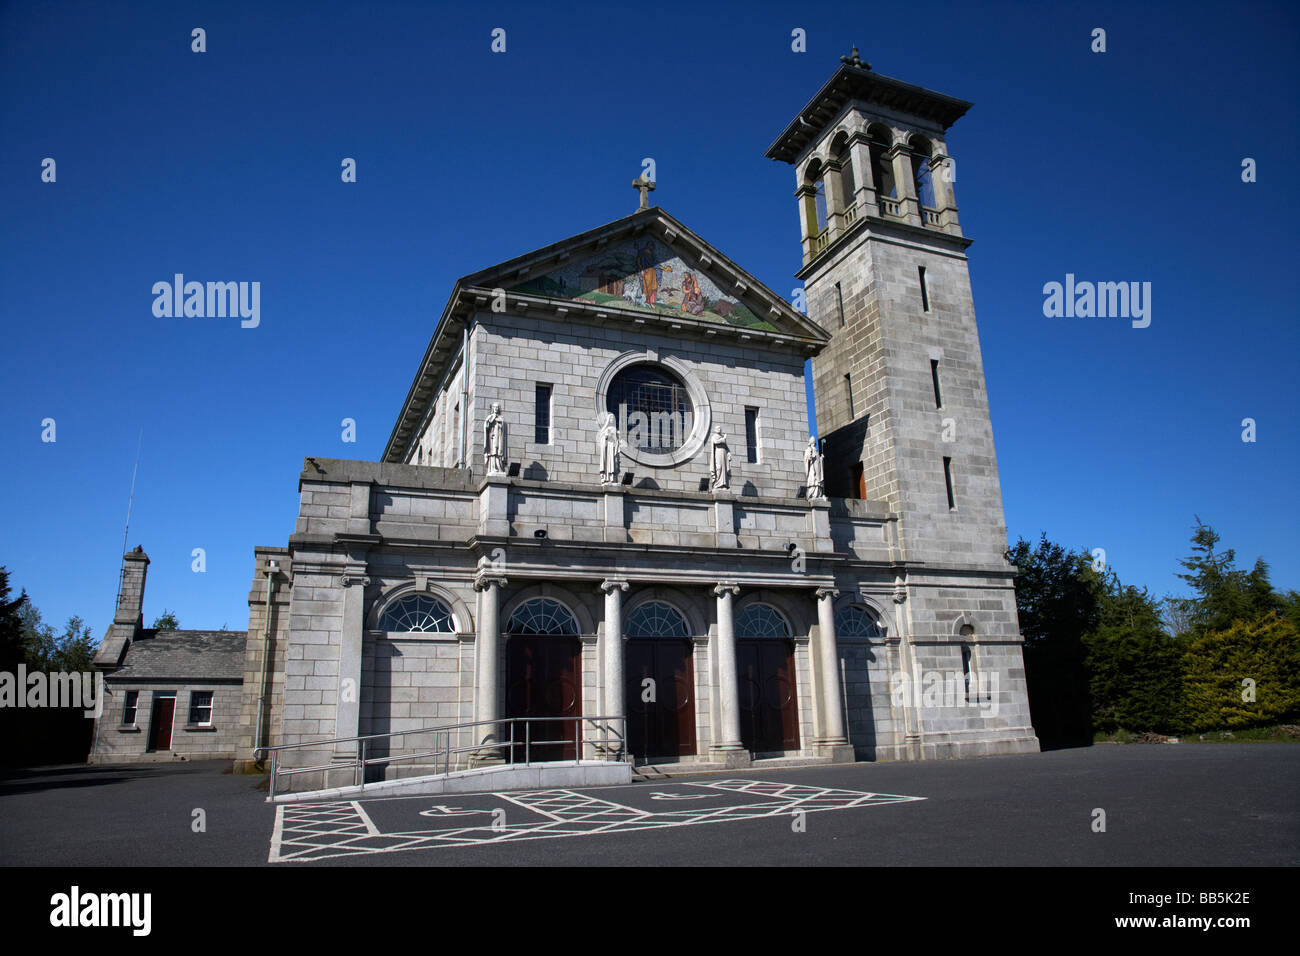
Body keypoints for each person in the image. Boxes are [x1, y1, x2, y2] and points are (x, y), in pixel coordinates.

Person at [598, 412, 621, 483]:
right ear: (608, 420)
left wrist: (618, 437)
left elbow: (617, 441)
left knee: (612, 463)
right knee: (607, 463)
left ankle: (612, 477)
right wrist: (606, 436)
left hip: (612, 449)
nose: (612, 419)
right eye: (610, 418)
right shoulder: (605, 429)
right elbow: (602, 440)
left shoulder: (615, 429)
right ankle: (606, 477)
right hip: (607, 449)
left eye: (613, 418)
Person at [484, 403, 506, 475]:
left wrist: (500, 423)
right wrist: (492, 419)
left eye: (497, 407)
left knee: (499, 452)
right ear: (492, 408)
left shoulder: (501, 418)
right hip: (492, 438)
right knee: (493, 452)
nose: (496, 409)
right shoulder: (490, 417)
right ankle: (493, 468)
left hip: (499, 438)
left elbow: (504, 428)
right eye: (495, 407)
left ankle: (499, 467)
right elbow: (486, 426)